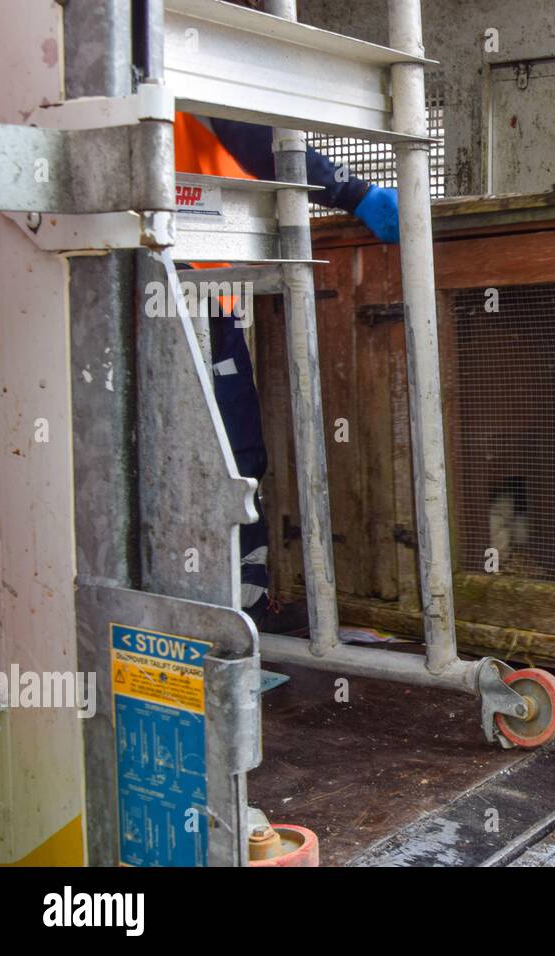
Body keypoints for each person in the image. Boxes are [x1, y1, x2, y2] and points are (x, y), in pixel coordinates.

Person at [173, 112, 400, 630]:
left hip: (197, 281)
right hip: (176, 283)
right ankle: (225, 619)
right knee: (227, 454)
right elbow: (264, 141)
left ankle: (240, 610)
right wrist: (353, 192)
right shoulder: (181, 56)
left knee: (233, 452)